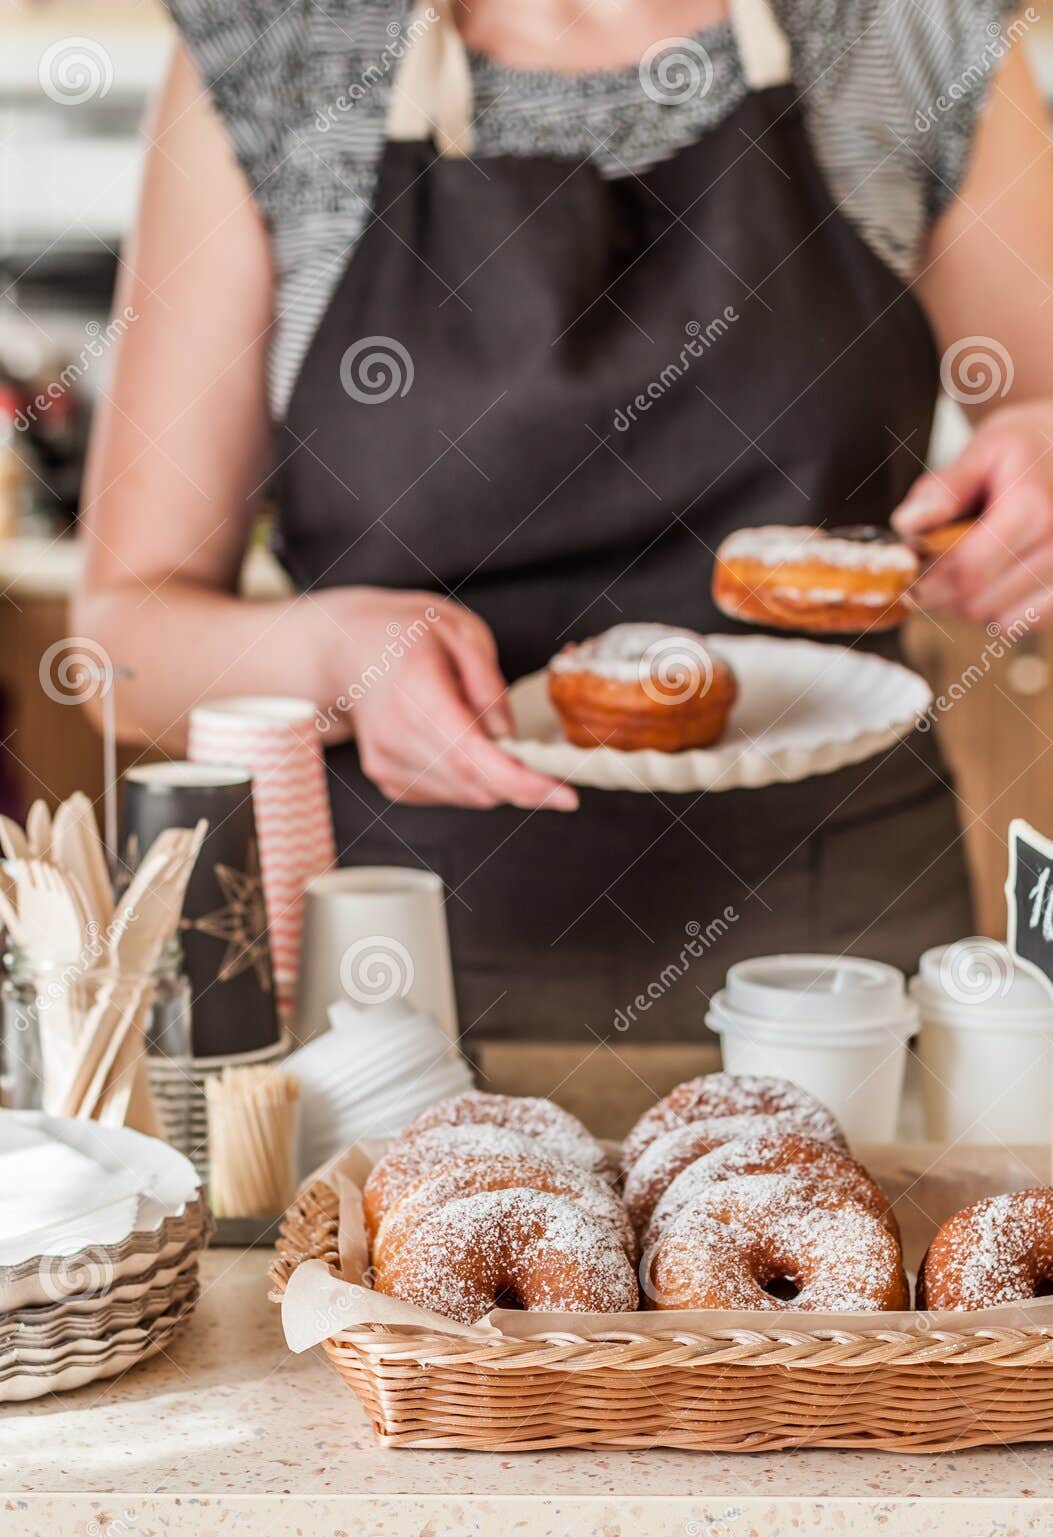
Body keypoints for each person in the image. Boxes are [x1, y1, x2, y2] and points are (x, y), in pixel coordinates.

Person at [74, 0, 1053, 1041]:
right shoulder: (274, 47)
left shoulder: (911, 32)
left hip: (840, 973)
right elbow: (116, 647)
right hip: (399, 995)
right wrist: (329, 660)